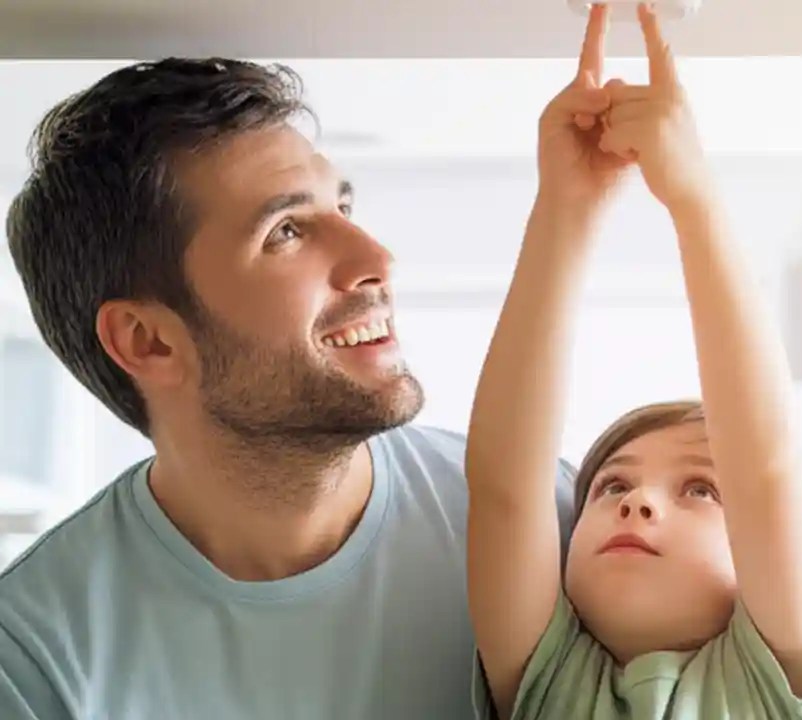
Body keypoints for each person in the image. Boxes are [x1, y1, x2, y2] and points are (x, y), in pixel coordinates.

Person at [0, 22, 638, 720]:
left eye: (343, 206)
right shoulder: (35, 660)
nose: (377, 259)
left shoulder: (556, 523)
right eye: (287, 232)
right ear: (148, 341)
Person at [465, 5, 802, 719]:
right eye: (609, 486)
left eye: (701, 490)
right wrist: (564, 211)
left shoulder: (769, 688)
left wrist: (693, 197)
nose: (635, 503)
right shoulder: (546, 682)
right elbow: (504, 491)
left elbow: (765, 470)